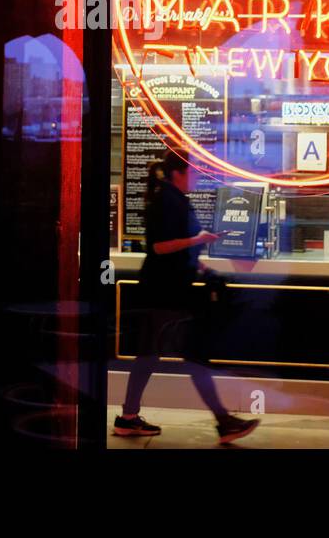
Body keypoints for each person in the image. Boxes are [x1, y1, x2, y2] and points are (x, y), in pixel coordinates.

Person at [115, 152, 259, 445]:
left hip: (166, 289)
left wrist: (203, 265)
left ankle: (128, 419)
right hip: (166, 293)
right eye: (194, 171)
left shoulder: (175, 198)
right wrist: (199, 241)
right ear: (179, 173)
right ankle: (224, 422)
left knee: (148, 355)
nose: (197, 176)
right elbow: (159, 246)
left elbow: (179, 248)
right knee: (193, 355)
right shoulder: (166, 201)